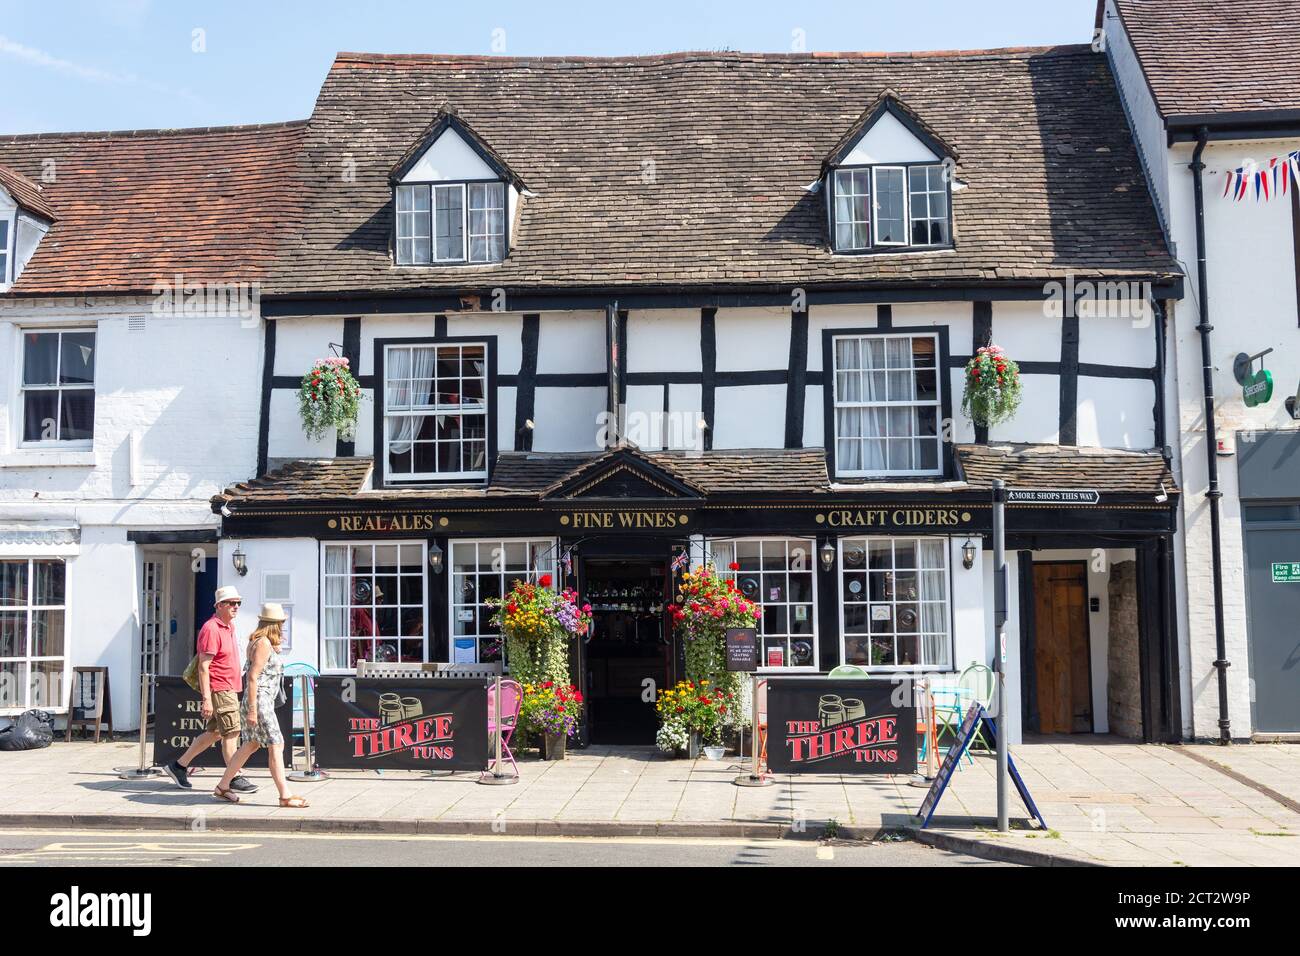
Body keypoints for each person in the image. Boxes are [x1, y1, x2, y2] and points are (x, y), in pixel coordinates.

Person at [162, 586, 258, 794]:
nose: (236, 607)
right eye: (232, 603)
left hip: (229, 687)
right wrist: (206, 698)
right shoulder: (211, 628)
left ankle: (178, 766)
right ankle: (234, 777)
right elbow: (204, 666)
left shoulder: (228, 626)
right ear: (220, 605)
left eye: (238, 603)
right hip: (221, 688)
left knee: (214, 733)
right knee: (232, 732)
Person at [212, 603, 308, 808]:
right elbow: (253, 677)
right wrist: (254, 710)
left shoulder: (258, 641)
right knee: (276, 744)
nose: (282, 627)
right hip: (260, 700)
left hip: (258, 699)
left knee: (251, 744)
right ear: (274, 624)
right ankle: (285, 795)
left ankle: (222, 786)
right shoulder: (263, 643)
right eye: (281, 624)